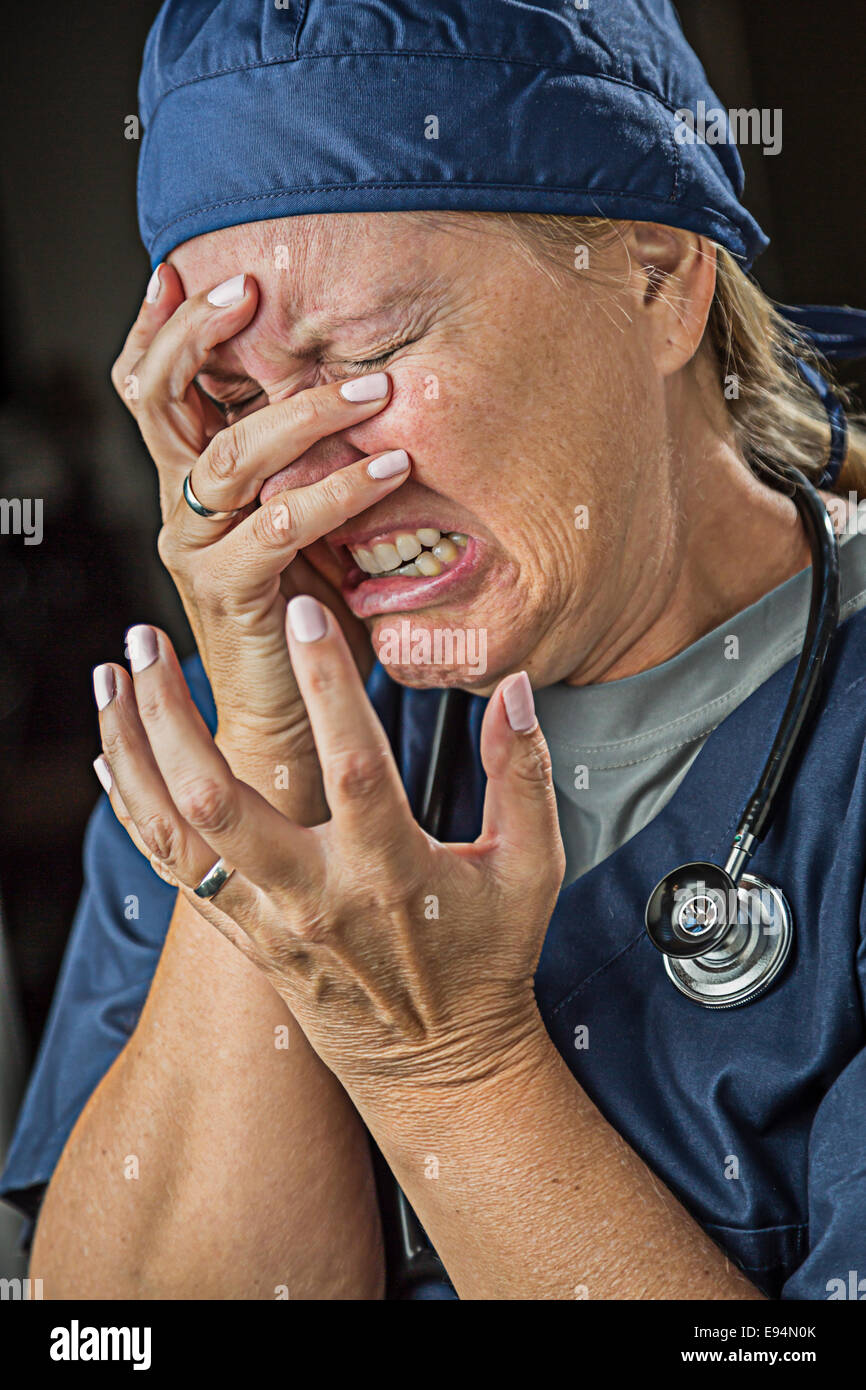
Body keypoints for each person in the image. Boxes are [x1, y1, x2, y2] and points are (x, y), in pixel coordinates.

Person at [3, 0, 866, 1300]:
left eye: (366, 356)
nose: (300, 480)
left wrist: (448, 1070)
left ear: (658, 275)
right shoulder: (222, 753)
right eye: (235, 403)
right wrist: (269, 757)